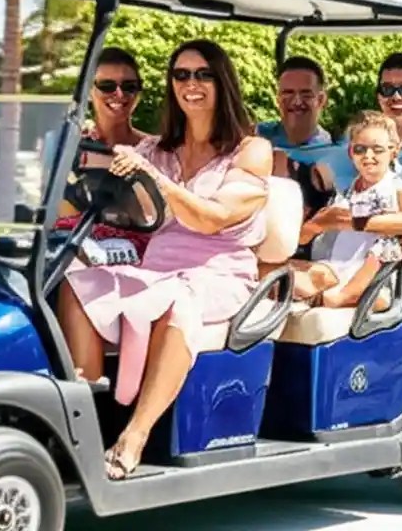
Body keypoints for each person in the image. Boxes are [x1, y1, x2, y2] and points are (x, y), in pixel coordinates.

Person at [55, 39, 274, 480]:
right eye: (180, 75)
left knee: (180, 299)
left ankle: (134, 436)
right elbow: (113, 189)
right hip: (157, 265)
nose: (189, 85)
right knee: (75, 280)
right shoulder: (158, 148)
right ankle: (89, 420)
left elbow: (214, 219)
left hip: (219, 271)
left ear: (221, 81)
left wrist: (157, 179)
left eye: (201, 75)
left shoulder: (250, 150)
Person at [306, 52, 402, 244]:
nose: (396, 97)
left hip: (392, 259)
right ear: (379, 97)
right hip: (339, 249)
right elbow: (317, 169)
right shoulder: (358, 145)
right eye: (387, 89)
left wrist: (352, 222)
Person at [291, 111, 402, 309]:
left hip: (367, 274)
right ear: (350, 152)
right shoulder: (351, 190)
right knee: (273, 271)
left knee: (309, 285)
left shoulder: (395, 190)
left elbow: (391, 246)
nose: (368, 156)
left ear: (394, 151)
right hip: (336, 266)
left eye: (377, 150)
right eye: (360, 149)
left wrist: (348, 293)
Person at [52, 46, 156, 262]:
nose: (119, 94)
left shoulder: (155, 149)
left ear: (139, 93)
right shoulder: (73, 145)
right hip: (70, 249)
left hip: (131, 256)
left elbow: (151, 219)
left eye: (129, 87)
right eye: (107, 86)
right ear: (90, 91)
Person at [256, 56, 332, 149]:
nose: (297, 102)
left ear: (321, 100)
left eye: (306, 94)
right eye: (288, 93)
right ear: (278, 99)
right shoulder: (258, 137)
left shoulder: (329, 149)